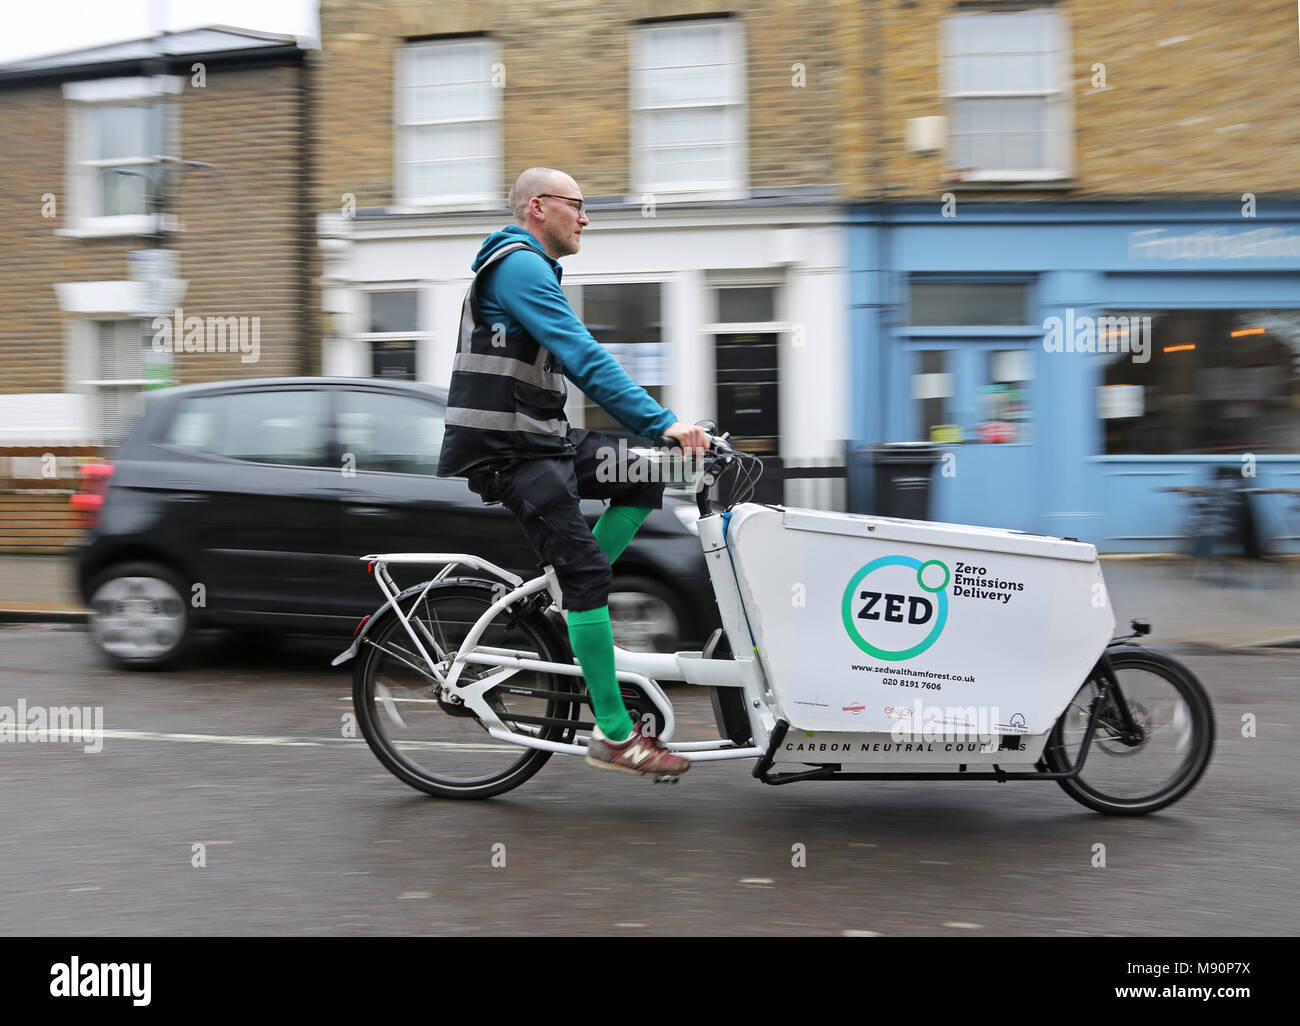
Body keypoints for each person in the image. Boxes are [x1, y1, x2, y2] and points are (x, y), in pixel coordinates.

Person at [436, 167, 709, 777]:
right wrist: (662, 420)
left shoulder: (529, 267)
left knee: (641, 475)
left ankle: (565, 602)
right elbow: (584, 354)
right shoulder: (518, 265)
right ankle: (614, 736)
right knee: (588, 572)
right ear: (538, 207)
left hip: (544, 441)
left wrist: (661, 440)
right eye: (577, 206)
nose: (585, 218)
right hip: (508, 450)